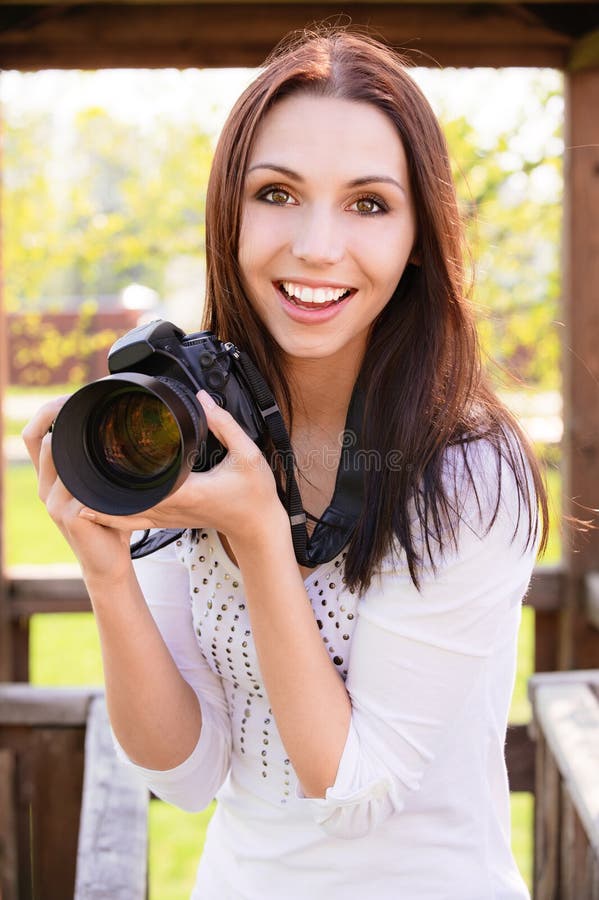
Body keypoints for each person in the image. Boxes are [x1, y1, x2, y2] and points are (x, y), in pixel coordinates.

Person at [23, 26, 548, 900]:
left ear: (419, 235)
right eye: (277, 193)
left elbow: (352, 789)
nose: (314, 246)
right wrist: (106, 571)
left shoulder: (467, 470)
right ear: (230, 213)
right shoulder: (194, 419)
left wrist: (260, 535)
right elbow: (183, 773)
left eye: (368, 204)